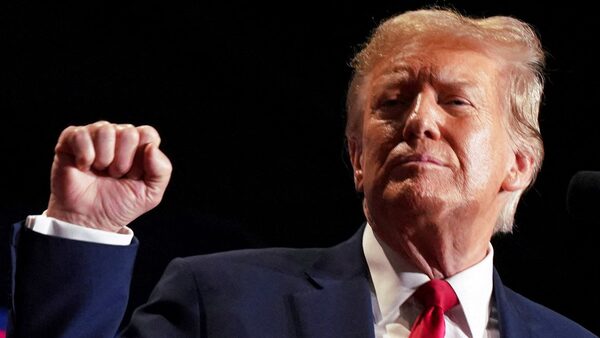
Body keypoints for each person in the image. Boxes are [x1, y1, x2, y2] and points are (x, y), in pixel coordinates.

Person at [7, 8, 597, 338]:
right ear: (358, 159)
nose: (418, 121)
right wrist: (85, 227)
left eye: (456, 102)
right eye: (391, 103)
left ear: (518, 164)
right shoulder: (220, 301)